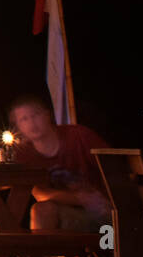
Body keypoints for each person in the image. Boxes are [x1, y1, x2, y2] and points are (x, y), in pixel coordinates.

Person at [7, 95, 113, 233]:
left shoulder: (78, 135)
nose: (32, 122)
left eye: (35, 115)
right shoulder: (24, 154)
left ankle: (111, 249)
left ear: (47, 115)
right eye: (24, 119)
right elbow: (39, 193)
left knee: (112, 233)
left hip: (104, 210)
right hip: (68, 212)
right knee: (41, 210)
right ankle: (43, 255)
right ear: (18, 127)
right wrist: (81, 199)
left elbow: (114, 167)